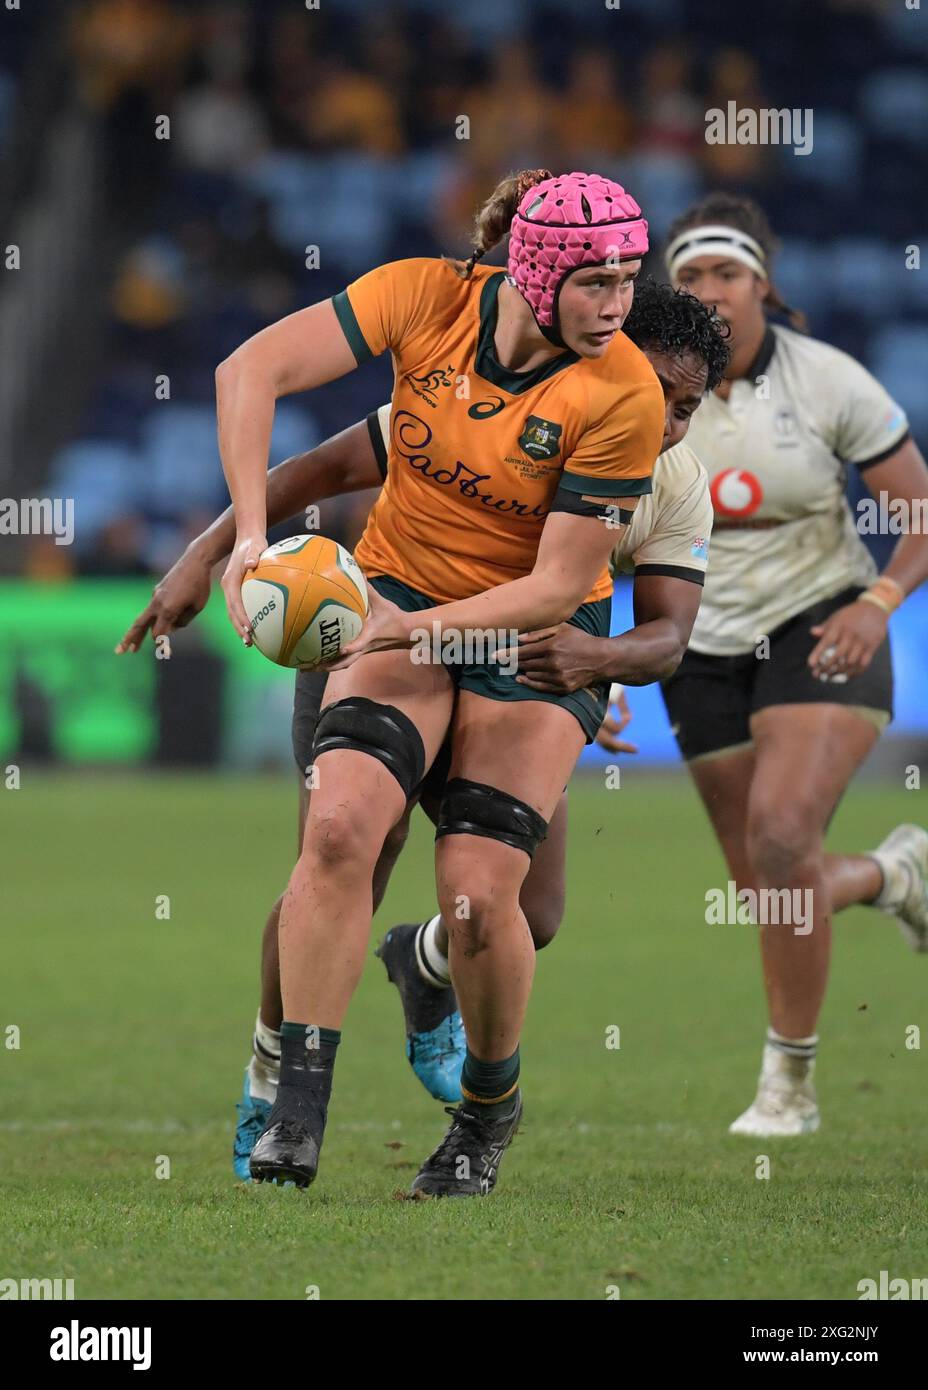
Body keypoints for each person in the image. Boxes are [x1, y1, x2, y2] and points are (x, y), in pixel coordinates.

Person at [118, 277, 727, 1176]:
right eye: (660, 395)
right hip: (382, 628)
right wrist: (208, 553)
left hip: (515, 666)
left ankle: (424, 962)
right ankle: (272, 1077)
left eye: (687, 408)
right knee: (339, 854)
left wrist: (597, 666)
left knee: (525, 910)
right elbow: (317, 471)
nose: (670, 424)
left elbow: (667, 634)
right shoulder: (481, 407)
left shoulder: (670, 479)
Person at [215, 168, 665, 1196]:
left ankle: (485, 1116)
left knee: (475, 899)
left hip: (527, 636)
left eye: (628, 280)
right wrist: (246, 540)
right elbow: (248, 370)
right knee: (333, 837)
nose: (616, 306)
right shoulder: (426, 295)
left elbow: (554, 584)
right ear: (537, 271)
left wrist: (407, 629)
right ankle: (295, 1102)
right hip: (399, 592)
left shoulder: (622, 392)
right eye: (597, 281)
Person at [657, 193, 928, 1137]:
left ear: (762, 285)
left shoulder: (829, 382)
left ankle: (790, 1088)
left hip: (821, 627)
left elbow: (919, 511)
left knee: (779, 843)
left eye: (726, 272)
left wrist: (878, 601)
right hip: (695, 645)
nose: (710, 290)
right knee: (767, 890)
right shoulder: (635, 387)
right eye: (689, 275)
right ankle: (898, 875)